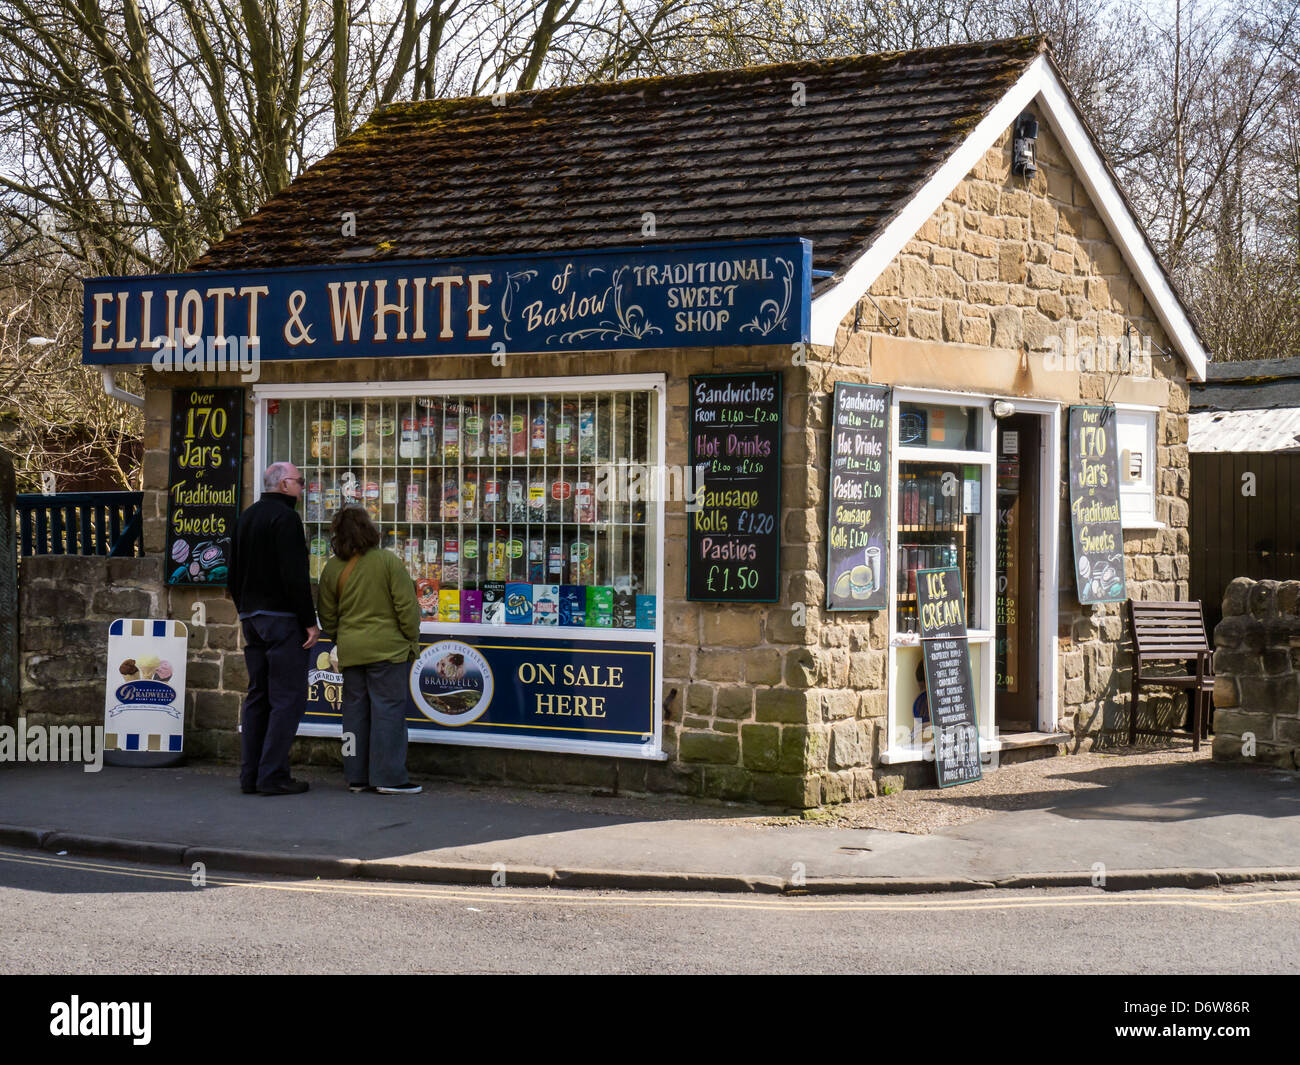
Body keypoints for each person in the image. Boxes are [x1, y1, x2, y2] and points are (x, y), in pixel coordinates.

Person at [228, 461, 320, 795]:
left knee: (258, 696)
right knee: (287, 699)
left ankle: (249, 775)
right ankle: (273, 775)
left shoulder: (247, 516)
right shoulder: (286, 519)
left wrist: (244, 610)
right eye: (299, 481)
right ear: (283, 485)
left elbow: (232, 572)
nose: (302, 487)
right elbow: (294, 576)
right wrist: (309, 622)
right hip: (282, 620)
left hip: (252, 618)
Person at [317, 506, 422, 795]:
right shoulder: (388, 562)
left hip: (351, 651)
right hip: (387, 651)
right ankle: (389, 777)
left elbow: (326, 614)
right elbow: (407, 608)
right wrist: (412, 640)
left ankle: (356, 776)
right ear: (370, 531)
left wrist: (342, 638)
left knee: (354, 712)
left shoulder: (332, 569)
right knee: (387, 711)